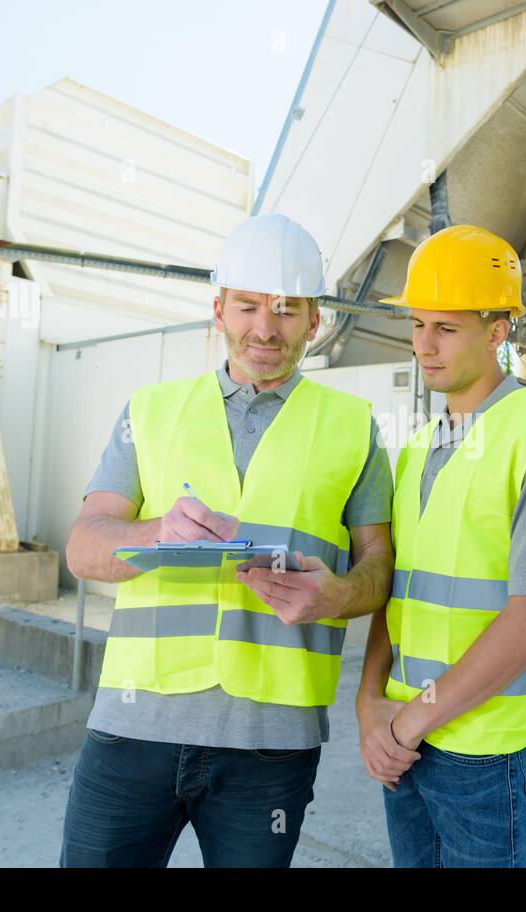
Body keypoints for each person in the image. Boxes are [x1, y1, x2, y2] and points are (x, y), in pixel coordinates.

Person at [60, 213, 393, 867]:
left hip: (271, 744)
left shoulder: (353, 428)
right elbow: (83, 547)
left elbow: (380, 567)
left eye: (287, 310)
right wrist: (156, 531)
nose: (265, 328)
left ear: (315, 321)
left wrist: (336, 595)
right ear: (218, 309)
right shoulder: (149, 410)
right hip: (133, 728)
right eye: (247, 306)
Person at [355, 224, 526, 867]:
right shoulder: (414, 449)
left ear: (497, 331)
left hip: (483, 755)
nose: (425, 347)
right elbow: (394, 592)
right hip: (404, 747)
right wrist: (369, 703)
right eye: (417, 326)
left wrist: (408, 722)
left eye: (447, 328)